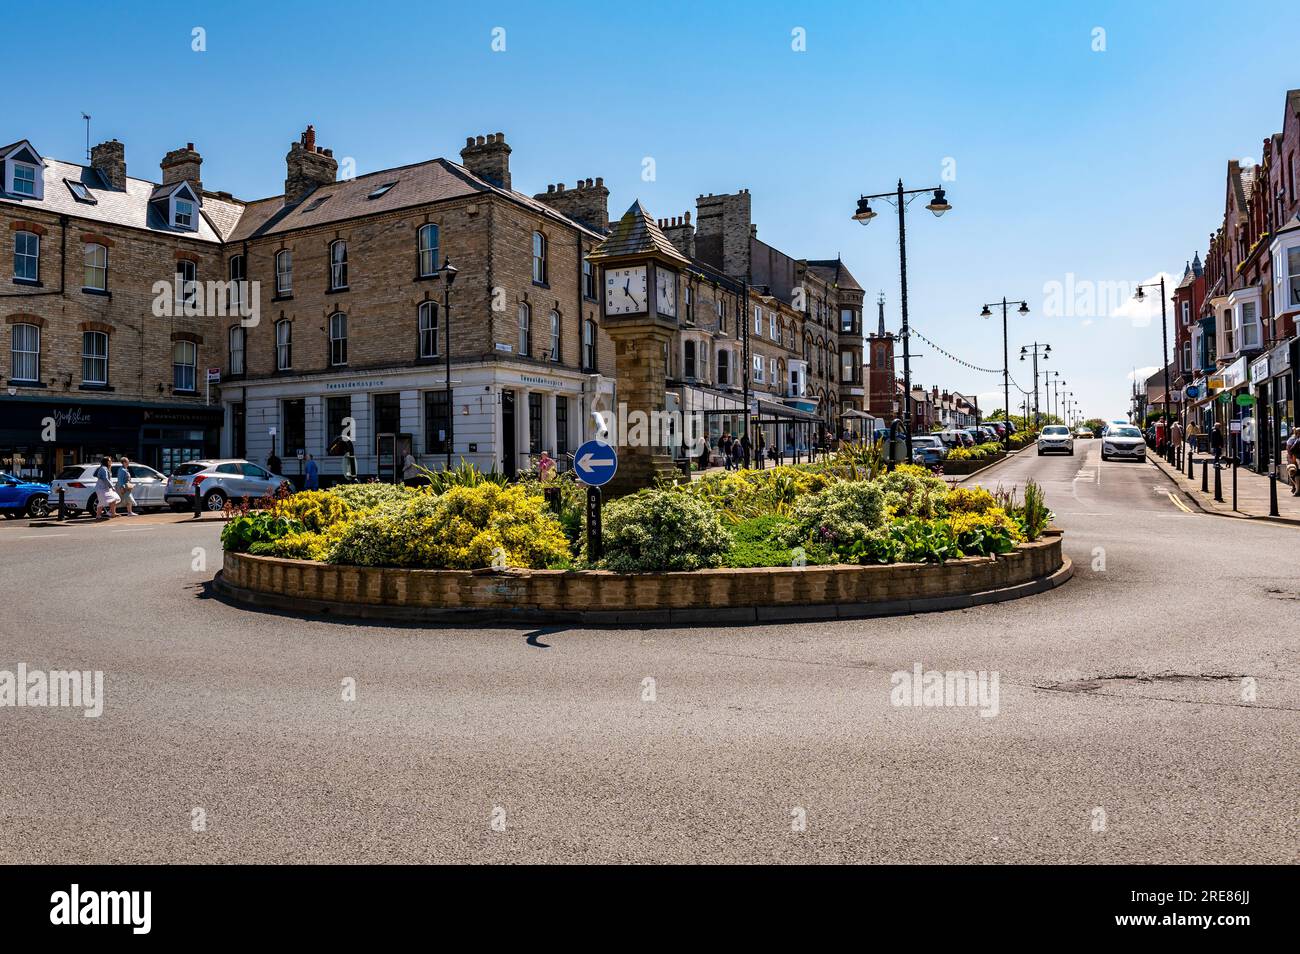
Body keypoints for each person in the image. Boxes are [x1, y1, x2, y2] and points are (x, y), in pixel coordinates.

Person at [93, 456, 120, 521]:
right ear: (106, 462)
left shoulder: (105, 468)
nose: (111, 462)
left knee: (113, 499)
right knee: (111, 499)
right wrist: (112, 486)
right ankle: (108, 513)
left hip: (104, 487)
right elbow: (105, 478)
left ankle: (111, 513)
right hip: (102, 487)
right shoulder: (103, 468)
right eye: (110, 461)